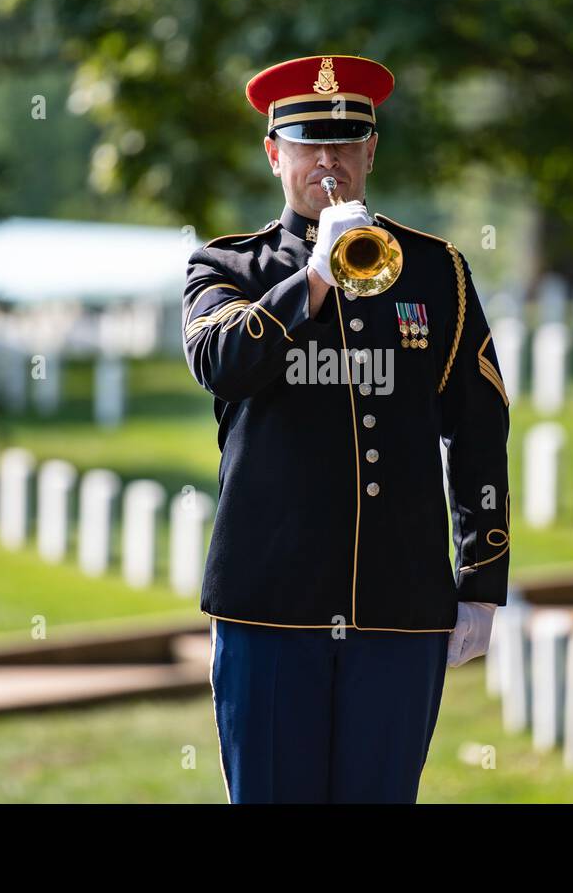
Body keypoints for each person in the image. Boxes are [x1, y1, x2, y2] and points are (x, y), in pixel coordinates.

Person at [182, 54, 511, 802]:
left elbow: (480, 426)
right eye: (306, 144)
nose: (326, 162)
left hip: (400, 605)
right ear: (274, 154)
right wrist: (317, 279)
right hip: (269, 608)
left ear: (371, 151)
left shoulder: (437, 270)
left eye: (344, 143)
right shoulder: (228, 266)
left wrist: (483, 580)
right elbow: (220, 363)